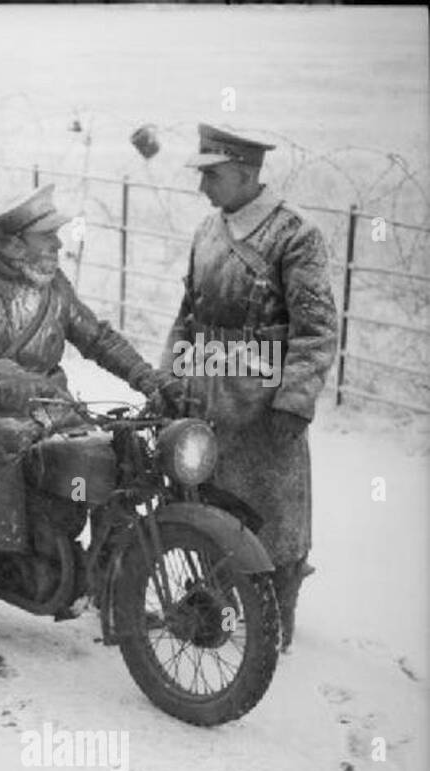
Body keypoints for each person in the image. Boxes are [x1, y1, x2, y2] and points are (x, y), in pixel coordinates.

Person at [0, 185, 180, 675]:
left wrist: (147, 378)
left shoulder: (55, 288)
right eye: (48, 238)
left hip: (54, 412)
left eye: (57, 237)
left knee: (117, 474)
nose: (58, 246)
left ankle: (109, 592)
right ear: (17, 242)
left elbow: (96, 338)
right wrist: (15, 379)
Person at [164, 124, 337, 651]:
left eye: (211, 175)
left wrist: (294, 399)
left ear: (244, 172)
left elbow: (316, 328)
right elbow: (188, 316)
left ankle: (275, 622)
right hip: (206, 395)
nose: (203, 188)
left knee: (274, 515)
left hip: (264, 407)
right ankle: (214, 605)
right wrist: (172, 377)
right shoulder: (206, 231)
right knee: (207, 501)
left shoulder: (295, 235)